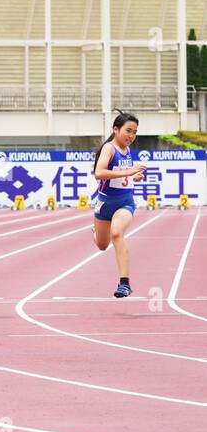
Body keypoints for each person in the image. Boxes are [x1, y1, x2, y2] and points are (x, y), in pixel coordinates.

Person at [90, 113, 145, 299]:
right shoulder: (109, 148)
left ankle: (124, 284)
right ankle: (95, 231)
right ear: (115, 129)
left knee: (116, 233)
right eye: (128, 131)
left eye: (135, 132)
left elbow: (121, 176)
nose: (131, 136)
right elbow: (99, 173)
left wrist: (133, 177)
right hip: (105, 203)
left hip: (125, 202)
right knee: (102, 245)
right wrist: (129, 172)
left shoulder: (127, 150)